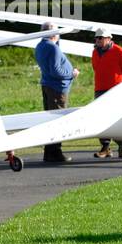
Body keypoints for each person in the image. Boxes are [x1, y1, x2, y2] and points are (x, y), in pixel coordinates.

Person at [34, 23, 78, 163]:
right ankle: (56, 152)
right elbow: (56, 71)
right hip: (57, 89)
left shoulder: (40, 46)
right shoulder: (53, 48)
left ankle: (49, 152)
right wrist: (71, 74)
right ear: (53, 34)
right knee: (58, 121)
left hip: (47, 85)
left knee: (49, 120)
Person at [90, 27, 122, 158]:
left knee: (118, 118)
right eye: (96, 38)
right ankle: (105, 147)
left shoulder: (120, 51)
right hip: (100, 89)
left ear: (109, 39)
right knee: (101, 118)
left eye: (100, 38)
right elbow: (95, 68)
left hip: (116, 90)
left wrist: (119, 84)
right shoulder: (95, 52)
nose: (98, 40)